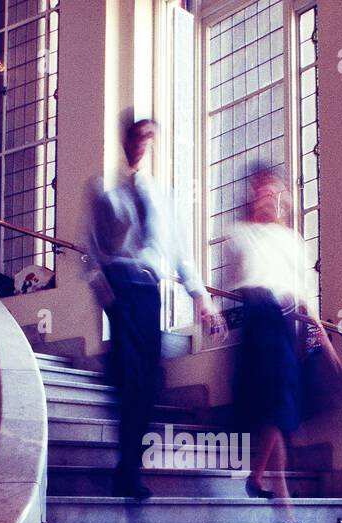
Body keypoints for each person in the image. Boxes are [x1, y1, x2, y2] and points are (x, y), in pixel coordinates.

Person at [85, 117, 225, 499]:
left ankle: (128, 465)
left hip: (150, 292)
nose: (144, 143)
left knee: (144, 383)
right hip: (121, 288)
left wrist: (202, 300)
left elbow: (181, 253)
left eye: (150, 137)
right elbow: (92, 253)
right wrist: (107, 297)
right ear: (126, 141)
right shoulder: (105, 193)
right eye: (138, 135)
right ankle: (128, 469)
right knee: (132, 378)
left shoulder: (164, 198)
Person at [226, 164, 340, 519]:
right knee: (275, 408)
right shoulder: (239, 234)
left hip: (281, 323)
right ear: (253, 194)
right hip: (256, 320)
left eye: (276, 191)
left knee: (280, 407)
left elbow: (304, 296)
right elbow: (236, 282)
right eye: (263, 190)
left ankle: (267, 482)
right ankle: (275, 487)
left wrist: (324, 338)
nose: (270, 198)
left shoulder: (293, 242)